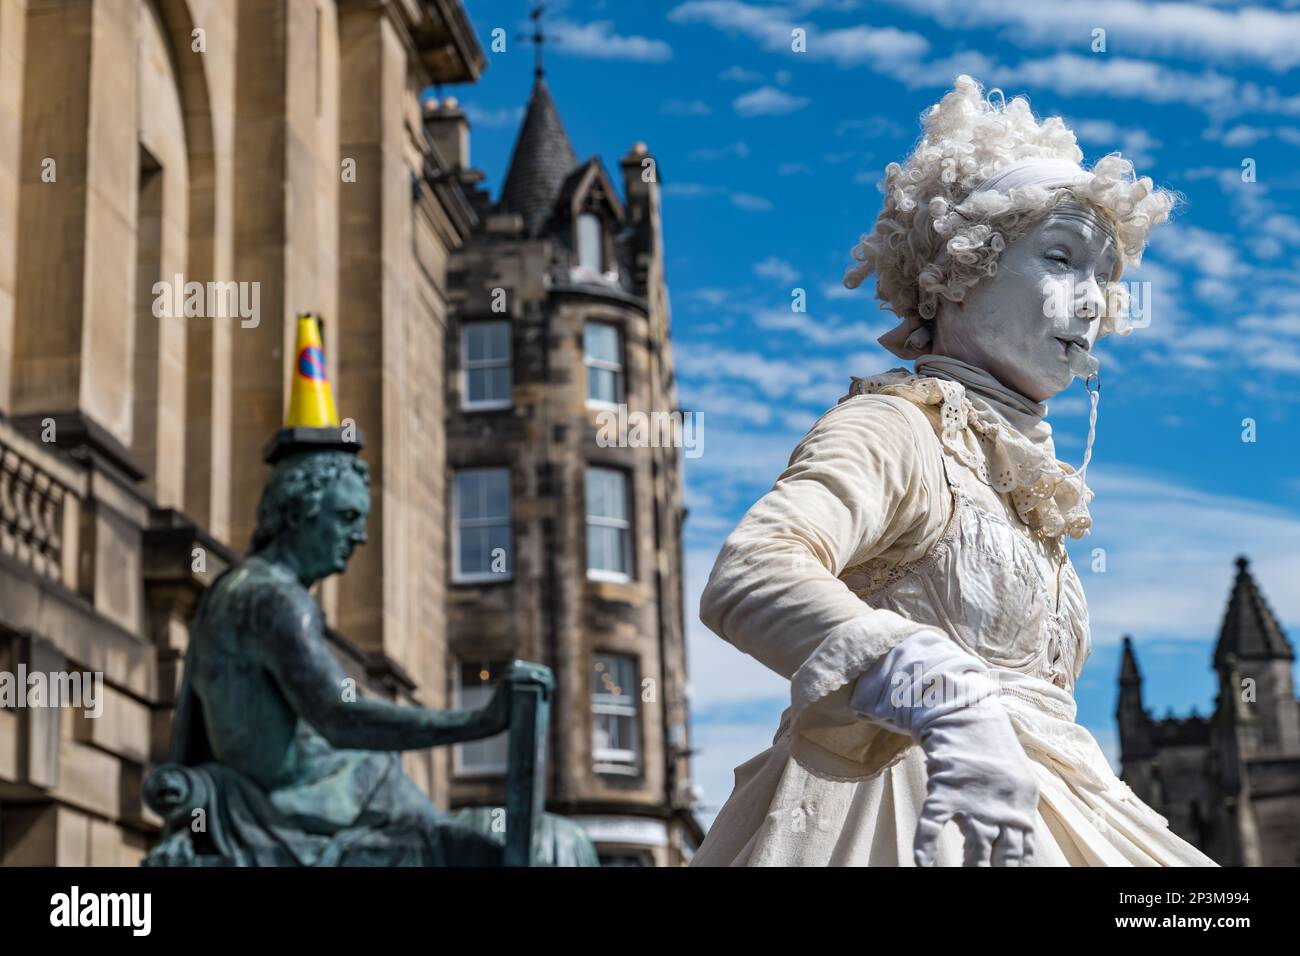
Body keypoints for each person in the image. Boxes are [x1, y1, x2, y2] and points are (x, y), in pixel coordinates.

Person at [690, 76, 1215, 867]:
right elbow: (752, 572)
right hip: (897, 819)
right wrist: (940, 695)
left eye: (1104, 279)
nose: (1092, 304)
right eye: (1062, 259)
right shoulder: (899, 426)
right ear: (960, 272)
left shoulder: (1019, 475)